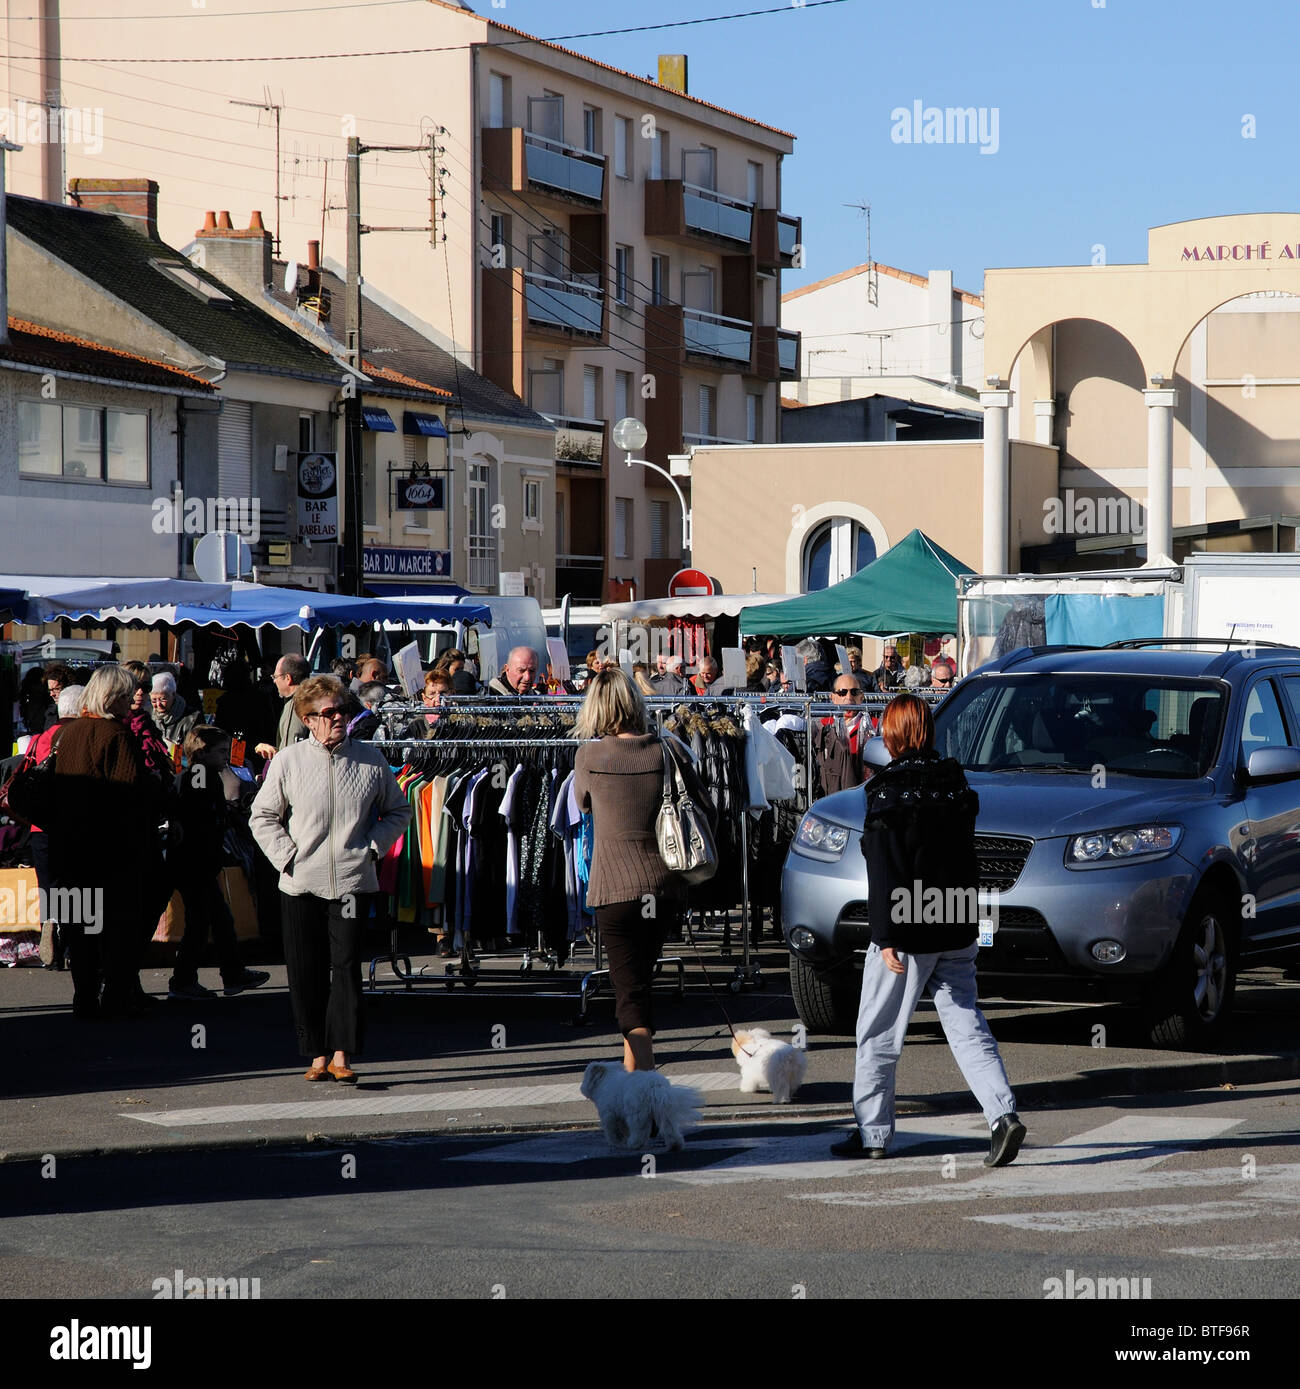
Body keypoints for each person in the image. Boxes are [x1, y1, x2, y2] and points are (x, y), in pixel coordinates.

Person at [832, 693, 1025, 1166]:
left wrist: (886, 934)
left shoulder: (886, 790)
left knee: (878, 1032)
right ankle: (1002, 1115)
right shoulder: (956, 783)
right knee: (966, 1025)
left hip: (907, 924)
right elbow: (965, 856)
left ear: (893, 735)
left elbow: (885, 867)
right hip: (955, 919)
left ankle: (873, 1132)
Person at [250, 675, 412, 1083]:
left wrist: (372, 847)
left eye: (343, 710)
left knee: (345, 968)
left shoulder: (370, 759)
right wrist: (288, 858)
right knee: (305, 970)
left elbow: (399, 811)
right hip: (301, 880)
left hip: (353, 881)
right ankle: (315, 1054)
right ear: (308, 720)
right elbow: (262, 817)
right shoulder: (288, 761)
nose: (339, 717)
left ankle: (342, 1054)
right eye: (329, 712)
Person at [573, 669, 713, 1072]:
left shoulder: (589, 756)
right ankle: (635, 1082)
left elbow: (582, 805)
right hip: (662, 885)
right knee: (640, 983)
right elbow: (706, 810)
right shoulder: (670, 751)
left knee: (628, 992)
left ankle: (647, 1090)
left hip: (613, 888)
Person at [47, 665, 161, 1020]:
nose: (133, 703)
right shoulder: (116, 735)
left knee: (80, 928)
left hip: (69, 848)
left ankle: (83, 998)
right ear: (113, 698)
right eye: (128, 696)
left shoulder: (66, 734)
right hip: (112, 853)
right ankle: (115, 998)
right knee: (119, 928)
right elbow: (128, 797)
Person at [167, 726, 271, 1001]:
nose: (226, 756)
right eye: (221, 751)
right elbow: (198, 818)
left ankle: (230, 973)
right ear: (202, 752)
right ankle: (184, 980)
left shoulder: (204, 776)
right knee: (202, 923)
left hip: (198, 863)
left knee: (218, 920)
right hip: (194, 864)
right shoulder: (199, 777)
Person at [28, 684, 85, 971]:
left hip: (40, 826)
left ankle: (52, 936)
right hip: (72, 823)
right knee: (79, 887)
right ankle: (77, 948)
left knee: (49, 886)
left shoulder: (40, 738)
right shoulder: (80, 736)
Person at [813, 676, 871, 794]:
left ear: (861, 697)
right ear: (833, 697)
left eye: (854, 692)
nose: (848, 697)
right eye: (842, 693)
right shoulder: (821, 727)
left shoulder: (873, 728)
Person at [255, 654, 309, 761]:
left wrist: (268, 750)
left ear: (288, 678)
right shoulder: (313, 700)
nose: (274, 681)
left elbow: (291, 756)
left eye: (275, 677)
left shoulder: (296, 705)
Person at [150, 671, 202, 749]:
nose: (158, 704)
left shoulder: (192, 719)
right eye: (154, 700)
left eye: (162, 699)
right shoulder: (148, 716)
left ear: (173, 695)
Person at [404, 671, 451, 738]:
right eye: (432, 694)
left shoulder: (463, 723)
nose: (438, 699)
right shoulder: (416, 725)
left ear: (452, 693)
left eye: (443, 693)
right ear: (424, 698)